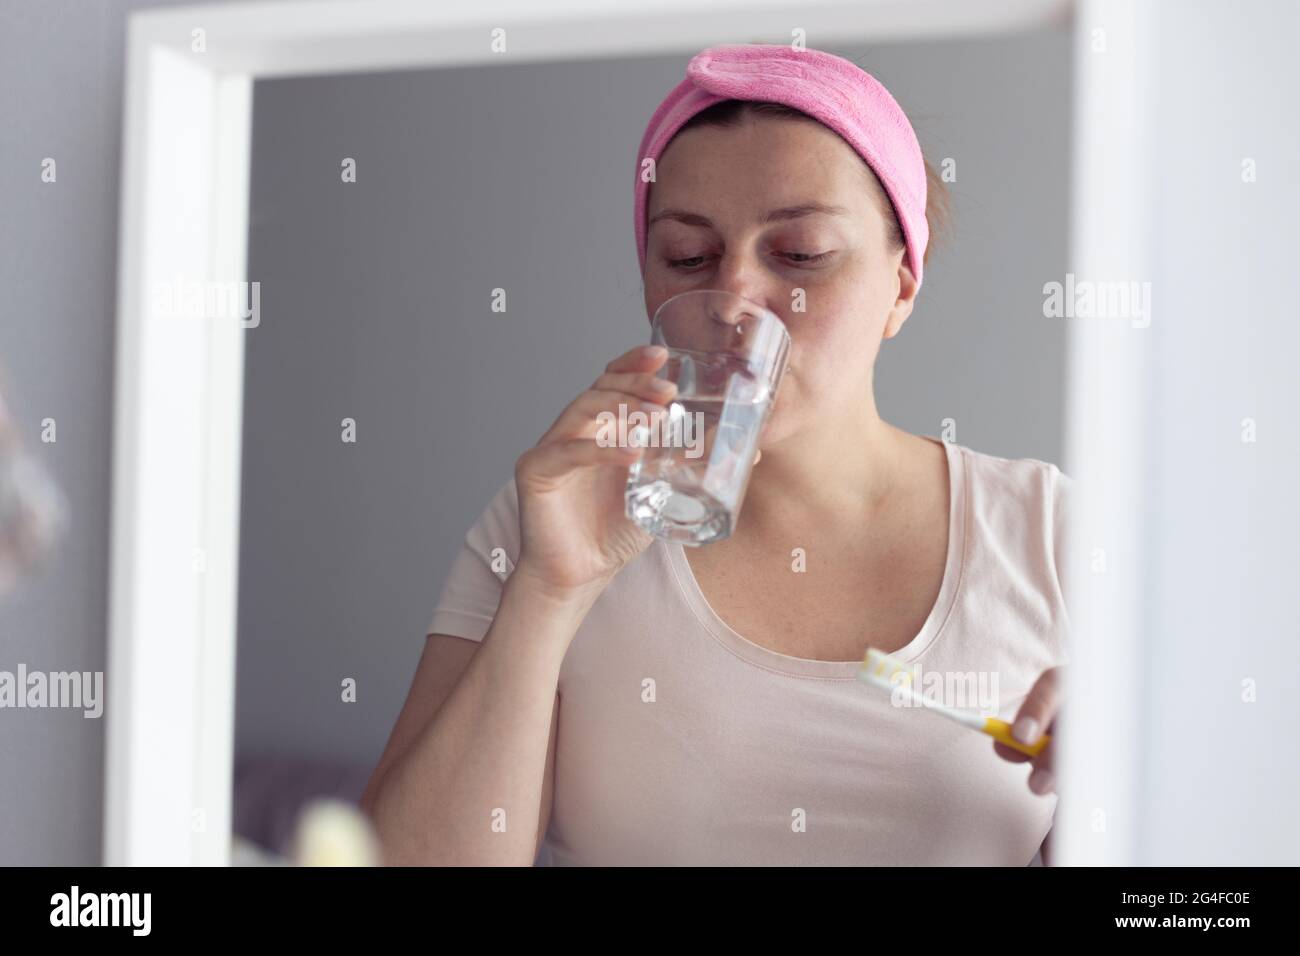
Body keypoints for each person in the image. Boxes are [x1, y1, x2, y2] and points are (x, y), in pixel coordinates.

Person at [360, 44, 1071, 866]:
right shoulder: (554, 517)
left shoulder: (1052, 537)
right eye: (688, 259)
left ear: (902, 285)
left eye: (800, 253)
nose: (732, 300)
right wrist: (549, 592)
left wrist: (1111, 803)